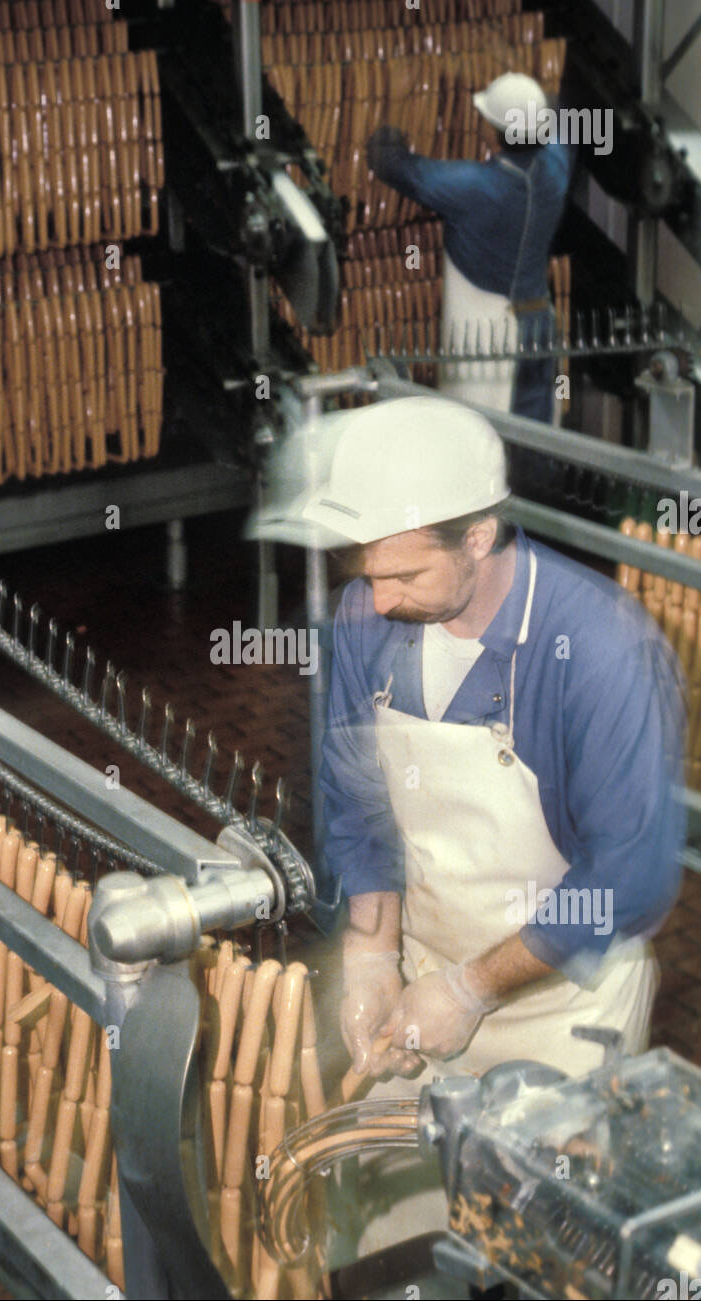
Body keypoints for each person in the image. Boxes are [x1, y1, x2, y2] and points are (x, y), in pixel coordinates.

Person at [306, 396, 684, 1099]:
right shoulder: (364, 615)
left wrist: (474, 989)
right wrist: (369, 953)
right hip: (421, 986)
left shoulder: (601, 649)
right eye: (369, 573)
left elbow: (626, 878)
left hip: (563, 1012)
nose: (379, 601)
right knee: (397, 1197)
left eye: (407, 577)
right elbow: (357, 805)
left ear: (477, 537)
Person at [366, 73, 575, 423]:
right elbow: (564, 121)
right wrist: (543, 101)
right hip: (539, 324)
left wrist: (385, 136)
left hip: (487, 337)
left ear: (492, 130)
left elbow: (397, 167)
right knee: (538, 434)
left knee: (482, 432)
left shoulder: (473, 187)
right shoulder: (557, 165)